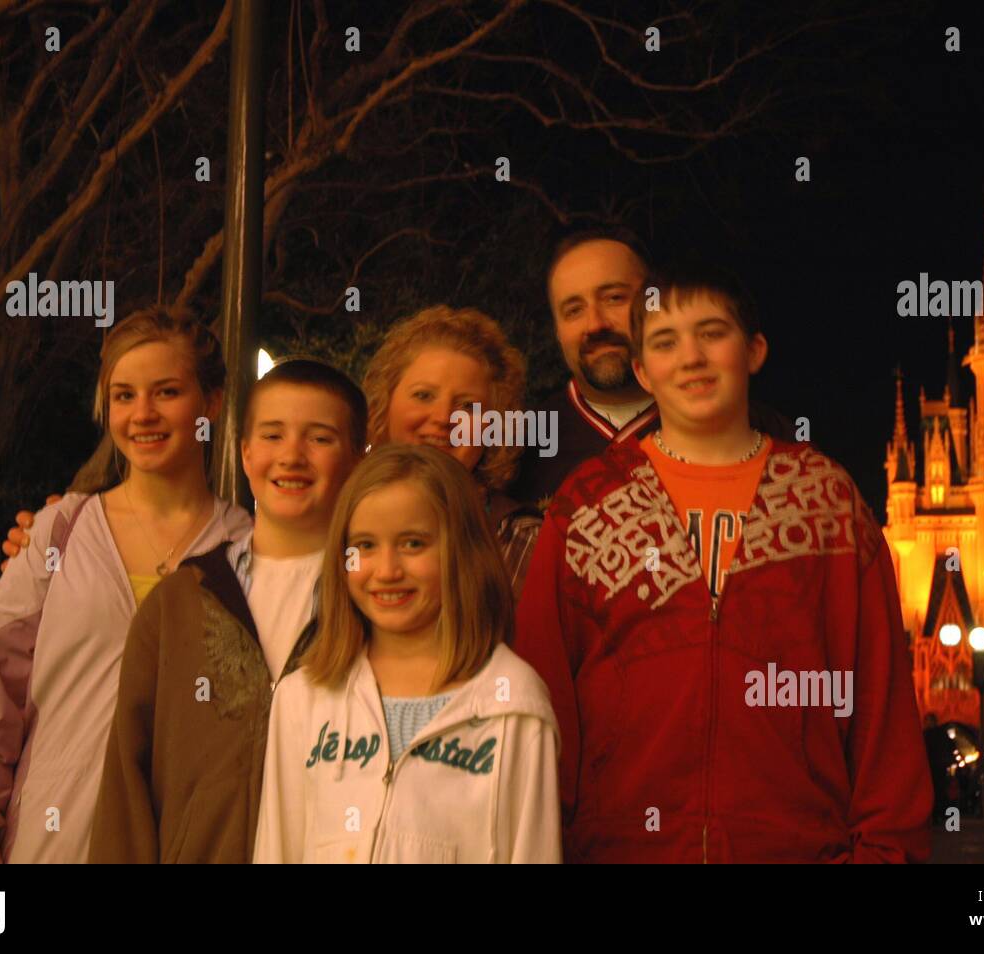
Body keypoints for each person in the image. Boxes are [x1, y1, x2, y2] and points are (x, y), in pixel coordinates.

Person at [513, 261, 932, 862]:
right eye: (664, 341)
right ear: (642, 370)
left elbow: (879, 702)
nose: (690, 357)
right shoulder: (587, 506)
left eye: (712, 332)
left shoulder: (826, 500)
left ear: (754, 350)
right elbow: (542, 699)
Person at [0, 307, 252, 863]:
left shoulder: (250, 553)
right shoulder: (59, 531)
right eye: (124, 395)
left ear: (213, 402)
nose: (143, 414)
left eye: (168, 392)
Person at [89, 359, 366, 862]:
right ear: (244, 452)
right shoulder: (177, 604)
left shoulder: (374, 603)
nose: (292, 456)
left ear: (355, 459)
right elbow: (126, 787)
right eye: (273, 435)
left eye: (320, 438)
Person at [253, 444, 561, 863]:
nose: (386, 570)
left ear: (461, 550)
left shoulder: (512, 704)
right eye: (363, 545)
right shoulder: (302, 698)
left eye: (413, 544)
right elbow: (277, 849)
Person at [510, 228, 796, 508]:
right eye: (573, 310)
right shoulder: (523, 448)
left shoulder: (764, 432)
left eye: (614, 298)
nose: (595, 324)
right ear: (557, 330)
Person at [363, 305, 541, 598]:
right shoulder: (340, 521)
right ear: (384, 404)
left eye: (468, 406)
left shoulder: (521, 544)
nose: (444, 417)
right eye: (423, 395)